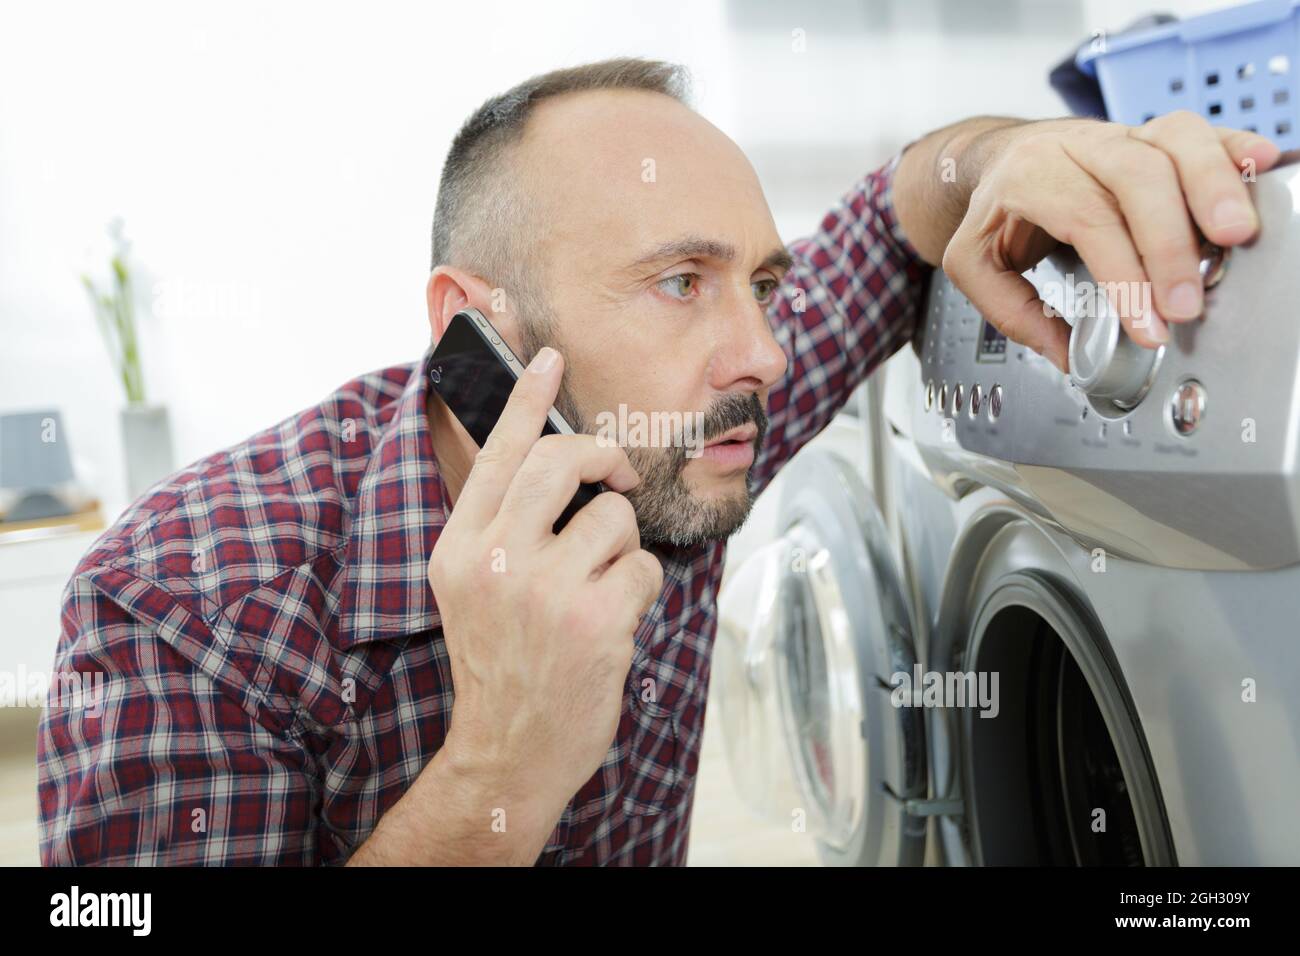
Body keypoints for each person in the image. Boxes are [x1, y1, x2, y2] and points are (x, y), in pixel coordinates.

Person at [37, 58, 1279, 865]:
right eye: (680, 282)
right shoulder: (175, 608)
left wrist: (1002, 156)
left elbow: (907, 204)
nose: (767, 354)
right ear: (478, 329)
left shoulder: (672, 442)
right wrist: (503, 759)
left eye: (766, 283)